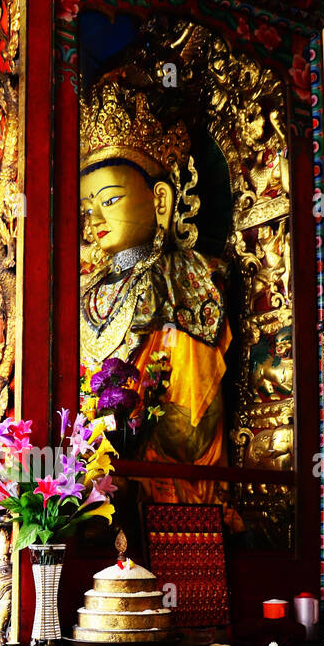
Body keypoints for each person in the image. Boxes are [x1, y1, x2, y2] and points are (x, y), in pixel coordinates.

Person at [79, 71, 231, 501]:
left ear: (160, 201)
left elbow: (191, 430)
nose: (94, 219)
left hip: (158, 485)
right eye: (87, 207)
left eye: (109, 200)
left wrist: (126, 428)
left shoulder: (183, 279)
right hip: (97, 479)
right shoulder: (87, 293)